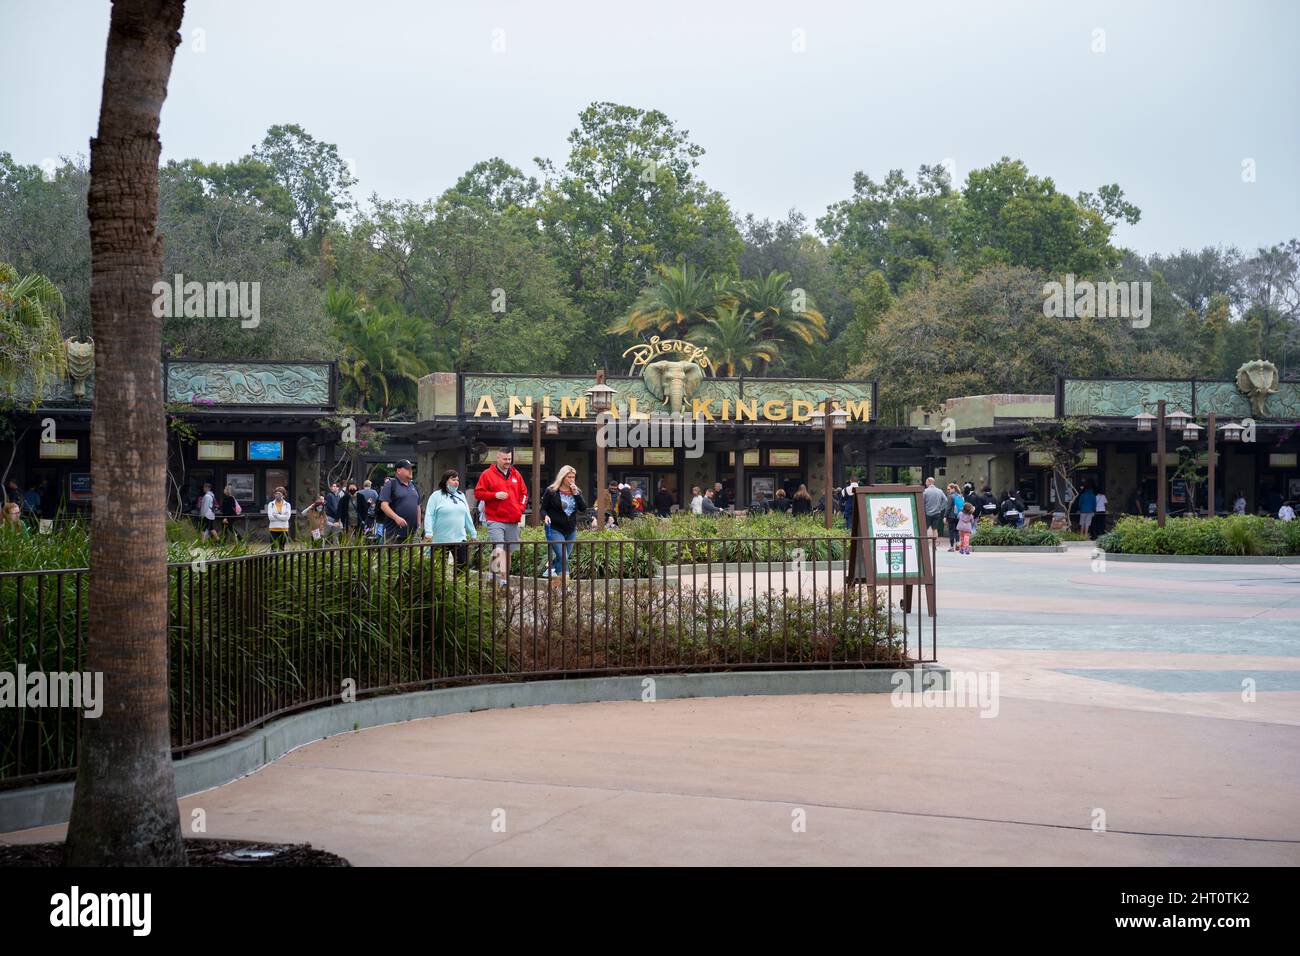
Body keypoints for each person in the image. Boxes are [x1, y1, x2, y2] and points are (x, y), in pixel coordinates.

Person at [474, 448, 526, 586]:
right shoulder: (487, 474)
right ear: (497, 458)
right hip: (495, 518)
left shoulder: (516, 474)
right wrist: (494, 495)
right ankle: (495, 577)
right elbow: (478, 493)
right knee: (499, 548)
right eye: (505, 459)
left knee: (508, 551)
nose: (508, 462)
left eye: (509, 459)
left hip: (513, 518)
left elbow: (524, 494)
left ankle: (500, 578)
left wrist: (520, 509)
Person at [540, 465, 587, 581]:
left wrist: (577, 494)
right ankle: (565, 583)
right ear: (562, 477)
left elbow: (583, 508)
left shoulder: (576, 491)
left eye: (573, 477)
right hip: (555, 529)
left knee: (563, 558)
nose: (571, 479)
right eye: (569, 477)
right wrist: (545, 516)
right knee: (563, 557)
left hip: (570, 530)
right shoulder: (551, 491)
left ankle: (550, 568)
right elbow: (543, 509)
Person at [424, 469, 477, 566]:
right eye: (453, 479)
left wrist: (473, 532)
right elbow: (429, 515)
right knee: (439, 570)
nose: (456, 482)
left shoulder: (461, 496)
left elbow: (466, 515)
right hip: (440, 539)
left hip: (459, 538)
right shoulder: (436, 496)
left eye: (457, 480)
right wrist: (428, 532)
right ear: (445, 481)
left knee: (463, 568)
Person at [379, 459, 423, 545]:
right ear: (398, 471)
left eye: (411, 469)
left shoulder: (413, 485)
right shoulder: (391, 484)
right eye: (407, 469)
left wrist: (419, 525)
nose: (411, 471)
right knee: (394, 558)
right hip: (395, 533)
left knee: (412, 558)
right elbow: (383, 505)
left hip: (412, 533)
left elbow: (418, 506)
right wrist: (396, 518)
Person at [945, 483, 964, 552]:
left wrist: (945, 516)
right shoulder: (960, 496)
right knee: (957, 531)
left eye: (949, 489)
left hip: (951, 516)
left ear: (953, 489)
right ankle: (958, 545)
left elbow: (948, 508)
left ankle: (951, 547)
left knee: (951, 531)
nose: (948, 490)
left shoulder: (951, 496)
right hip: (958, 516)